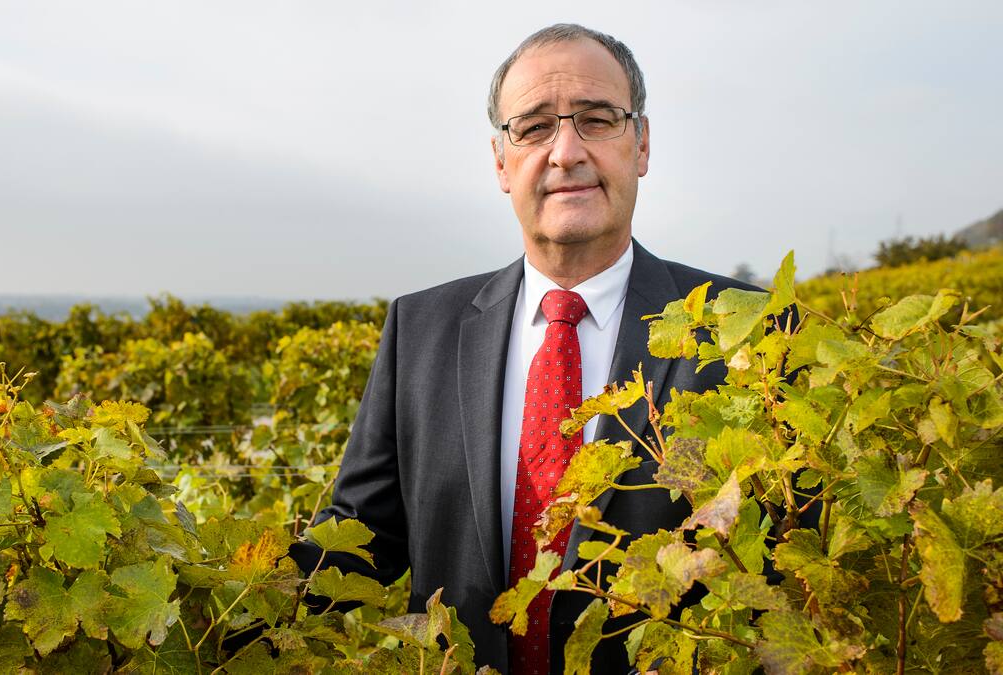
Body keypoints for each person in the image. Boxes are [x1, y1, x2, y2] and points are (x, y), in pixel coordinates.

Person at [290, 23, 759, 673]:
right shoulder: (419, 330)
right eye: (534, 127)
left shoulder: (743, 331)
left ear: (642, 144)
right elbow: (358, 544)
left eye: (597, 119)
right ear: (500, 162)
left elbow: (784, 578)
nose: (566, 151)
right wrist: (211, 608)